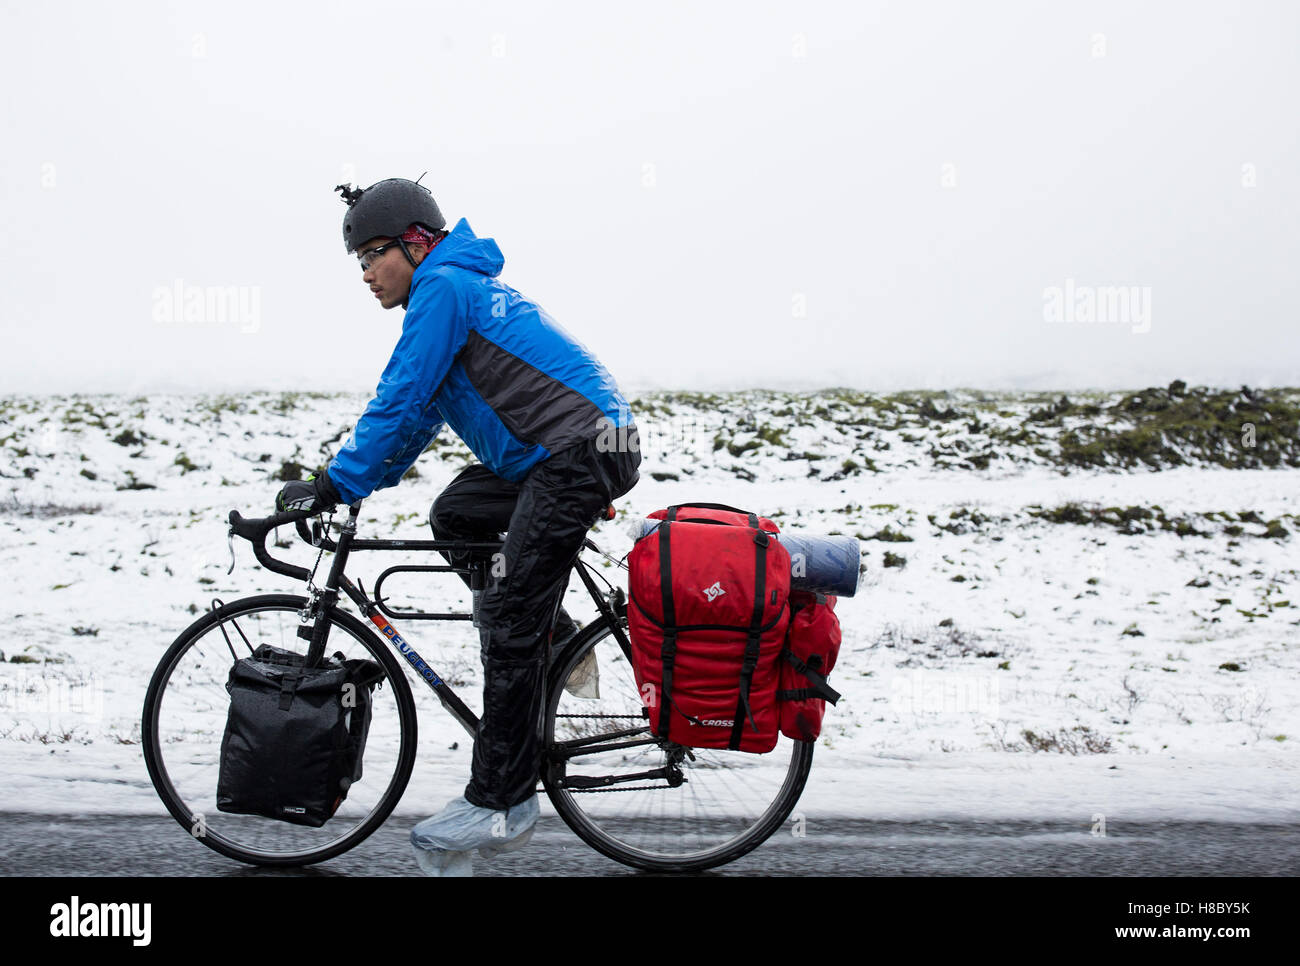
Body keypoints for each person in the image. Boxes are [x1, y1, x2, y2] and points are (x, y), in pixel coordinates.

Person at [275, 177, 640, 874]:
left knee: (506, 620)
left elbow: (400, 393)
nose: (365, 274)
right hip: (555, 454)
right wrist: (354, 485)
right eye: (357, 261)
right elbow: (414, 419)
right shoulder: (447, 289)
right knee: (457, 515)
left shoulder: (443, 287)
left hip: (576, 453)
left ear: (415, 243)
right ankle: (550, 638)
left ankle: (500, 797)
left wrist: (330, 483)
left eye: (373, 254)